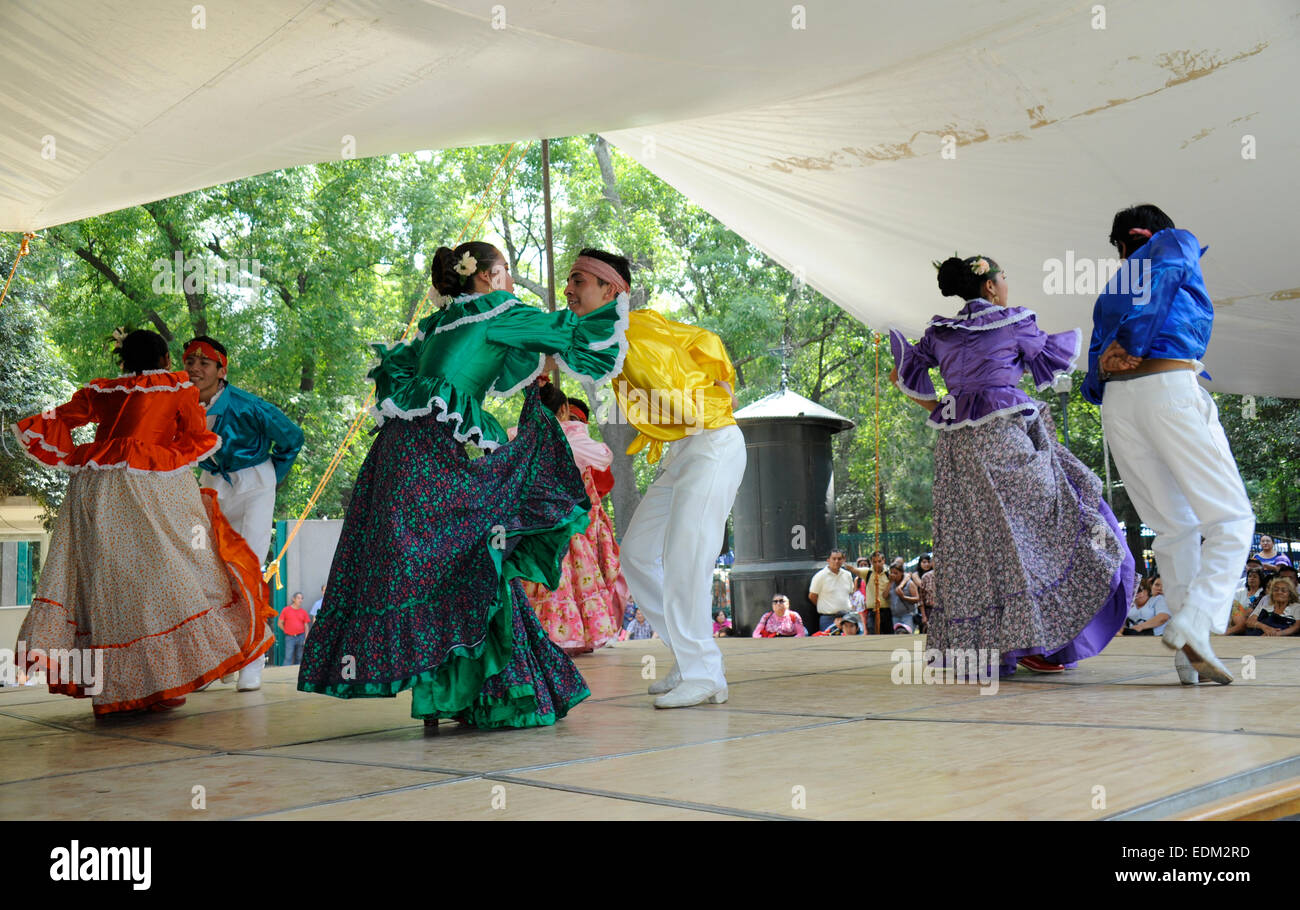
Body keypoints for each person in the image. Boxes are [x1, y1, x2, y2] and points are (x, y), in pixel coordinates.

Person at [297, 241, 627, 728]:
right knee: (475, 563)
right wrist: (613, 302)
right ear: (490, 277)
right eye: (508, 273)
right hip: (429, 459)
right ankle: (498, 693)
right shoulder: (497, 310)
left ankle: (452, 696)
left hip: (393, 458)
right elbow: (568, 331)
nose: (513, 283)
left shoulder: (440, 325)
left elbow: (440, 375)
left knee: (455, 565)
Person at [891, 253, 1134, 677]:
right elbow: (1050, 362)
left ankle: (989, 649)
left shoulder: (940, 334)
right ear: (989, 286)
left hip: (957, 451)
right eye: (1004, 278)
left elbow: (906, 377)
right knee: (1048, 529)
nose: (1006, 285)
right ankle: (1039, 641)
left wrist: (943, 409)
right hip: (1003, 441)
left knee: (976, 547)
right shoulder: (1013, 322)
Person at [11, 330, 275, 716]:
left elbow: (61, 418)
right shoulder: (175, 387)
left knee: (108, 583)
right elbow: (193, 435)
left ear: (124, 361)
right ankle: (161, 683)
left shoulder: (100, 392)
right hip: (148, 482)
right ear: (166, 359)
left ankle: (118, 689)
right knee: (174, 573)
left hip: (94, 486)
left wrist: (25, 427)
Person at [1083, 204, 1253, 685]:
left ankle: (1188, 659)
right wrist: (1136, 341)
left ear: (1120, 246)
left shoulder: (1110, 292)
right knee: (1233, 519)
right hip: (1168, 390)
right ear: (1160, 232)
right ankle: (1195, 622)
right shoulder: (1176, 243)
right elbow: (1170, 272)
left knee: (1174, 528)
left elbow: (1095, 374)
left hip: (1119, 407)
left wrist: (1107, 365)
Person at [584, 249, 746, 709]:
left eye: (580, 280)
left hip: (713, 443)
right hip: (686, 451)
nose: (570, 289)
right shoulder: (609, 334)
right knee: (635, 554)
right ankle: (688, 658)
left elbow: (705, 341)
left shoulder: (636, 329)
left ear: (611, 289)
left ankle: (704, 673)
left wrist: (721, 387)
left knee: (686, 557)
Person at [184, 334, 303, 692]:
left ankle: (252, 660)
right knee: (208, 569)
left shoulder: (248, 405)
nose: (195, 369)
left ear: (222, 370)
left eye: (205, 363)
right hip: (212, 484)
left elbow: (292, 437)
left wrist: (268, 478)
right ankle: (215, 658)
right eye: (190, 361)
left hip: (253, 484)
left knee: (247, 568)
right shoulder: (182, 404)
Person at [520, 383, 629, 655]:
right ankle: (572, 638)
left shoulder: (519, 440)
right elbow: (604, 458)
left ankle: (539, 639)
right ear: (565, 410)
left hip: (531, 528)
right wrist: (576, 430)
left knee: (540, 579)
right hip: (568, 526)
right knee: (572, 578)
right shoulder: (573, 440)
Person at [809, 549, 859, 631]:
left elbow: (851, 593)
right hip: (828, 618)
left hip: (847, 618)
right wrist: (826, 606)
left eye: (839, 559)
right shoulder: (820, 576)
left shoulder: (847, 575)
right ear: (828, 560)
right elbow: (812, 596)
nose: (836, 561)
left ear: (843, 560)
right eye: (834, 558)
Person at [278, 592, 311, 665]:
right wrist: (286, 630)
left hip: (301, 636)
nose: (300, 600)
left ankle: (297, 674)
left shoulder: (303, 612)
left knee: (299, 657)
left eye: (302, 598)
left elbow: (306, 626)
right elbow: (280, 623)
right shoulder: (286, 610)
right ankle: (284, 674)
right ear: (293, 599)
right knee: (288, 657)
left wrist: (306, 638)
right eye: (298, 598)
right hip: (290, 637)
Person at [887, 564, 920, 633]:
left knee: (908, 636)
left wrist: (904, 597)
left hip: (908, 615)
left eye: (896, 573)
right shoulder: (891, 584)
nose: (893, 575)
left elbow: (917, 599)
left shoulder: (909, 583)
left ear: (902, 573)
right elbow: (884, 596)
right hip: (895, 616)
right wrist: (890, 583)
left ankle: (916, 644)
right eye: (891, 573)